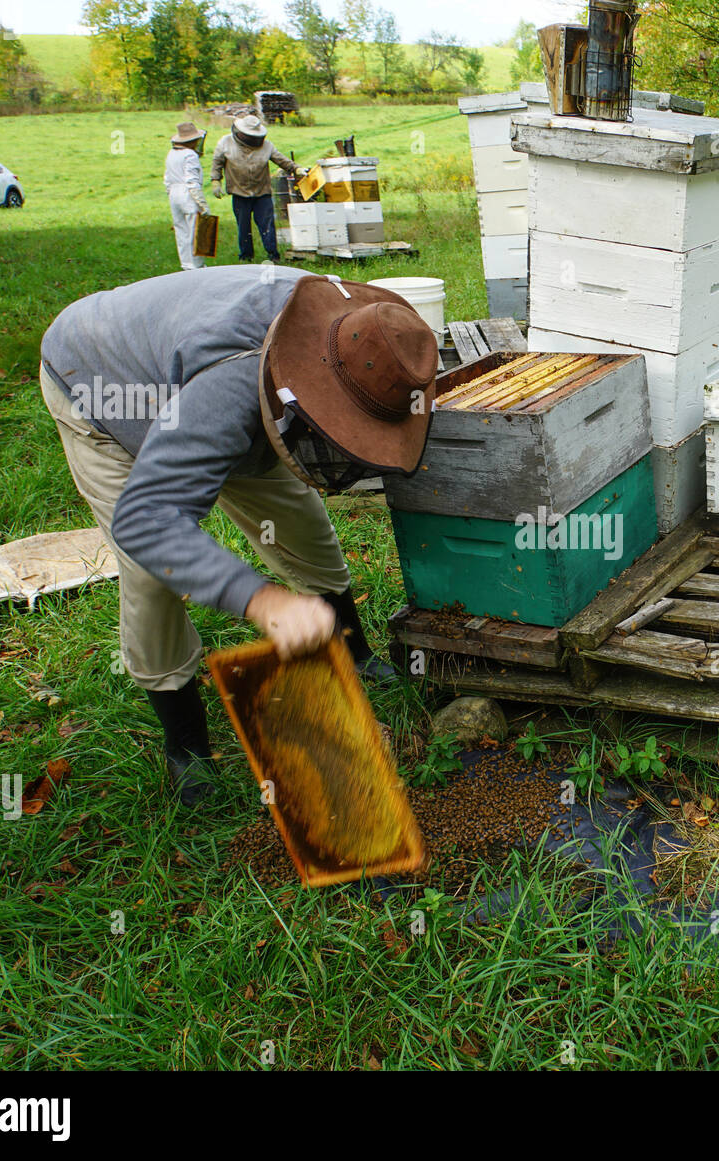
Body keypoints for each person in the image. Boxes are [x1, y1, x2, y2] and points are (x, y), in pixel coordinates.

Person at [38, 266, 439, 806]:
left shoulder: (361, 335)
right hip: (102, 386)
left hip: (212, 383)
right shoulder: (232, 385)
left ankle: (354, 650)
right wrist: (263, 602)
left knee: (300, 521)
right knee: (152, 574)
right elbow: (146, 519)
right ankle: (185, 744)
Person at [210, 114, 304, 264]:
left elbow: (280, 159)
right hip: (239, 192)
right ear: (240, 132)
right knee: (243, 226)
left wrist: (296, 168)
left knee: (267, 224)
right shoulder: (225, 142)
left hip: (262, 192)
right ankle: (246, 256)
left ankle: (273, 255)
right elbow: (217, 162)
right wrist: (215, 180)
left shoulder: (266, 145)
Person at [164, 121, 209, 271]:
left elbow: (167, 178)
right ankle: (197, 266)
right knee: (196, 230)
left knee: (181, 230)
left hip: (173, 193)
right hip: (187, 194)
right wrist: (202, 204)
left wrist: (170, 192)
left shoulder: (171, 153)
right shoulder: (190, 155)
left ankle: (186, 264)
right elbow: (192, 181)